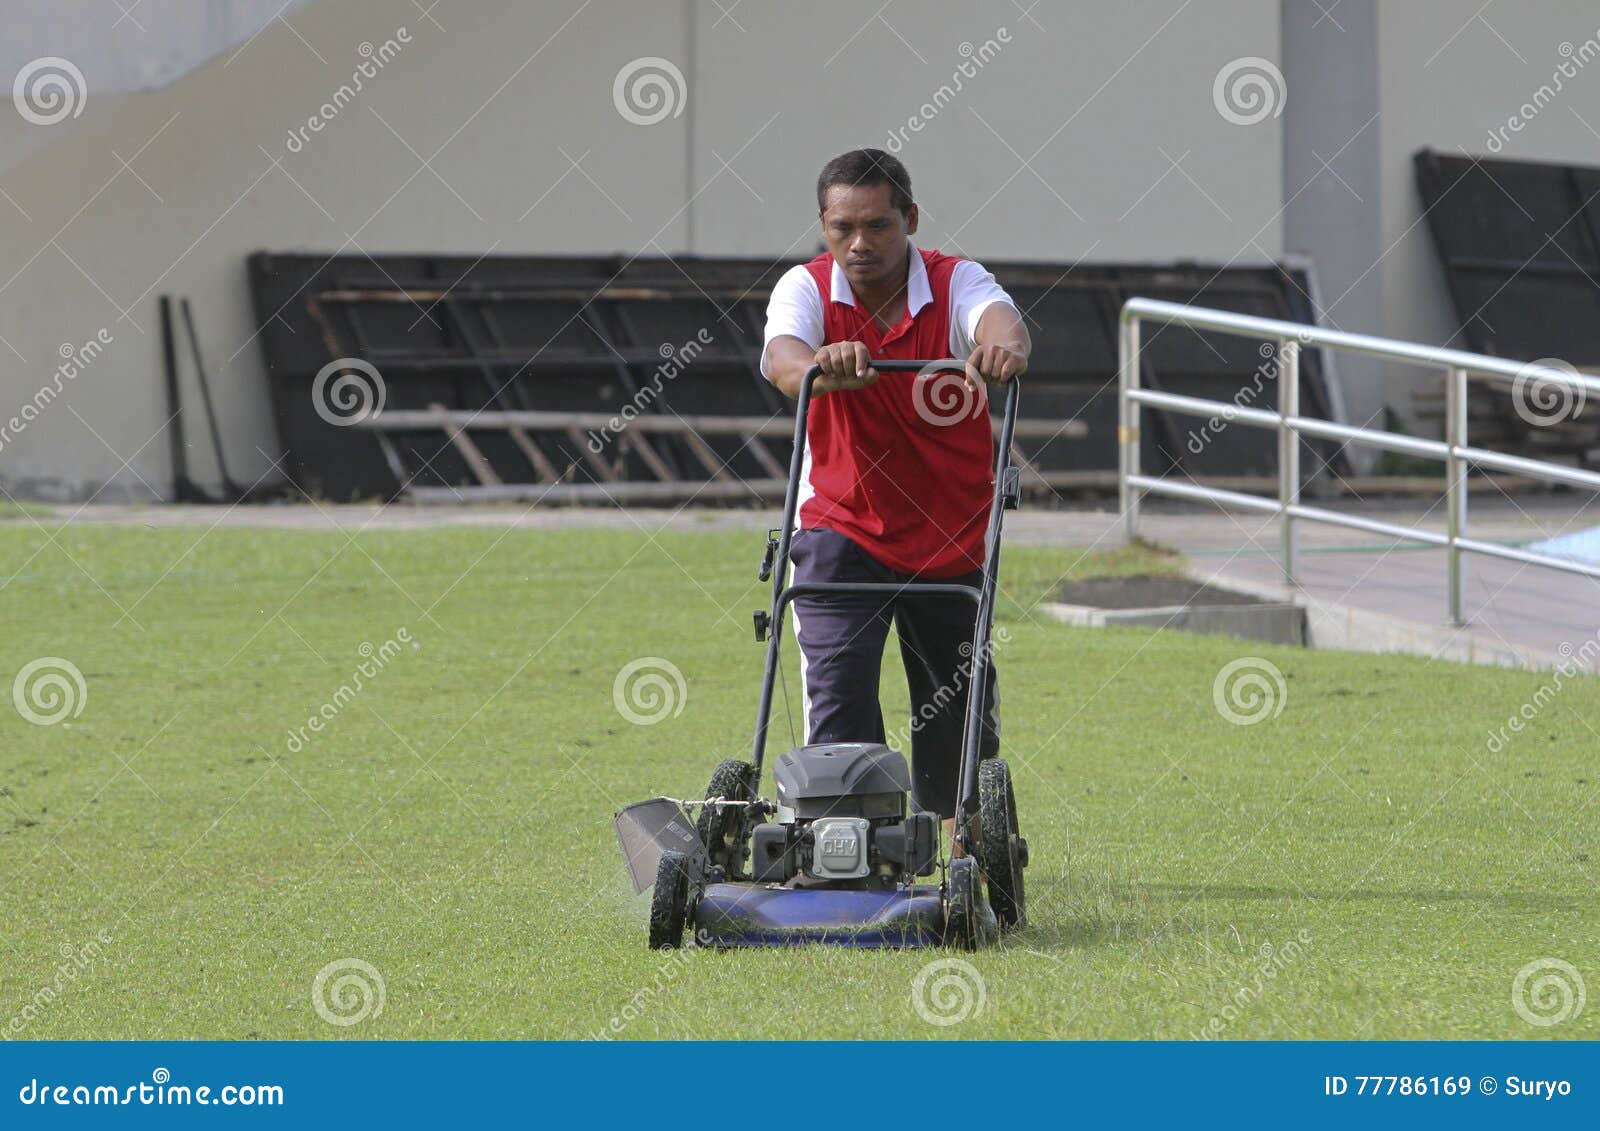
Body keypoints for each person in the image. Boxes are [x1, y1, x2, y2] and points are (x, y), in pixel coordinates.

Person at [760, 148, 1031, 850]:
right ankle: (853, 848)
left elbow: (999, 321)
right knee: (840, 694)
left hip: (950, 537)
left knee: (956, 710)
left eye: (878, 226)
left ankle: (962, 840)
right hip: (838, 530)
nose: (860, 244)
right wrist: (818, 364)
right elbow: (781, 359)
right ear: (823, 226)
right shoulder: (808, 290)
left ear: (908, 219)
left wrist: (1003, 350)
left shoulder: (954, 282)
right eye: (842, 227)